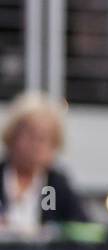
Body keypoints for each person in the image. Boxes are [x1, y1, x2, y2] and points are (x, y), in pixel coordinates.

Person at [0, 93, 88, 232]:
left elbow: (82, 227)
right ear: (12, 135)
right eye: (30, 135)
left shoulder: (56, 183)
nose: (36, 145)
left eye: (45, 138)